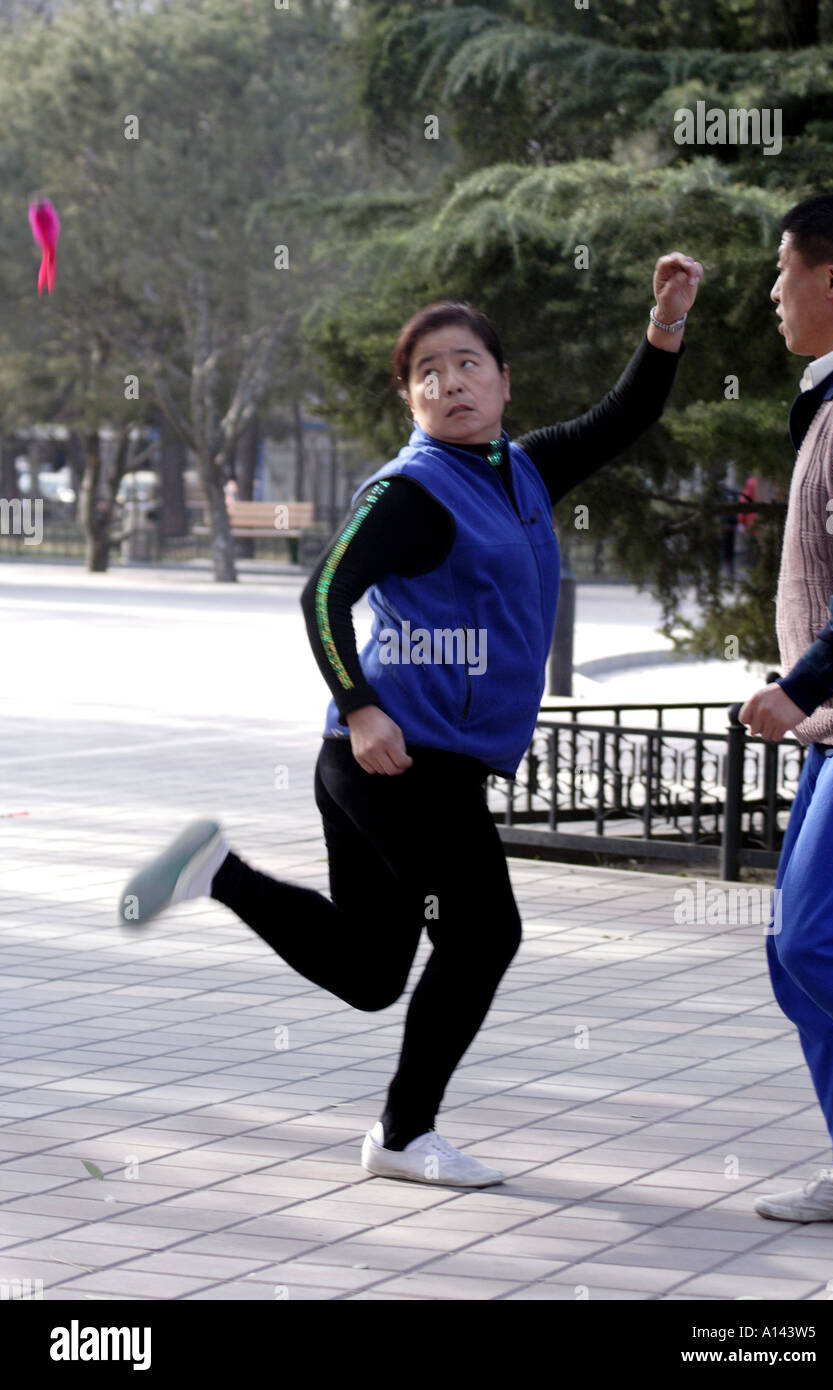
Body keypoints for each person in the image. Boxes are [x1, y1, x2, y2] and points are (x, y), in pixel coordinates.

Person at [118, 253, 702, 1188]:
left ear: (503, 380)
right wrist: (359, 708)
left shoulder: (521, 470)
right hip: (393, 761)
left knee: (370, 972)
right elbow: (322, 594)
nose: (450, 383)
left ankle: (216, 871)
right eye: (427, 373)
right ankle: (402, 1133)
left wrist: (666, 319)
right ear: (410, 398)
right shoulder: (410, 492)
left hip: (413, 764)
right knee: (485, 934)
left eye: (468, 364)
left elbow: (623, 416)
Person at [738, 194, 833, 1224]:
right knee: (796, 960)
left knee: (813, 943)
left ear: (830, 278)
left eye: (782, 272)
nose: (771, 293)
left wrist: (797, 685)